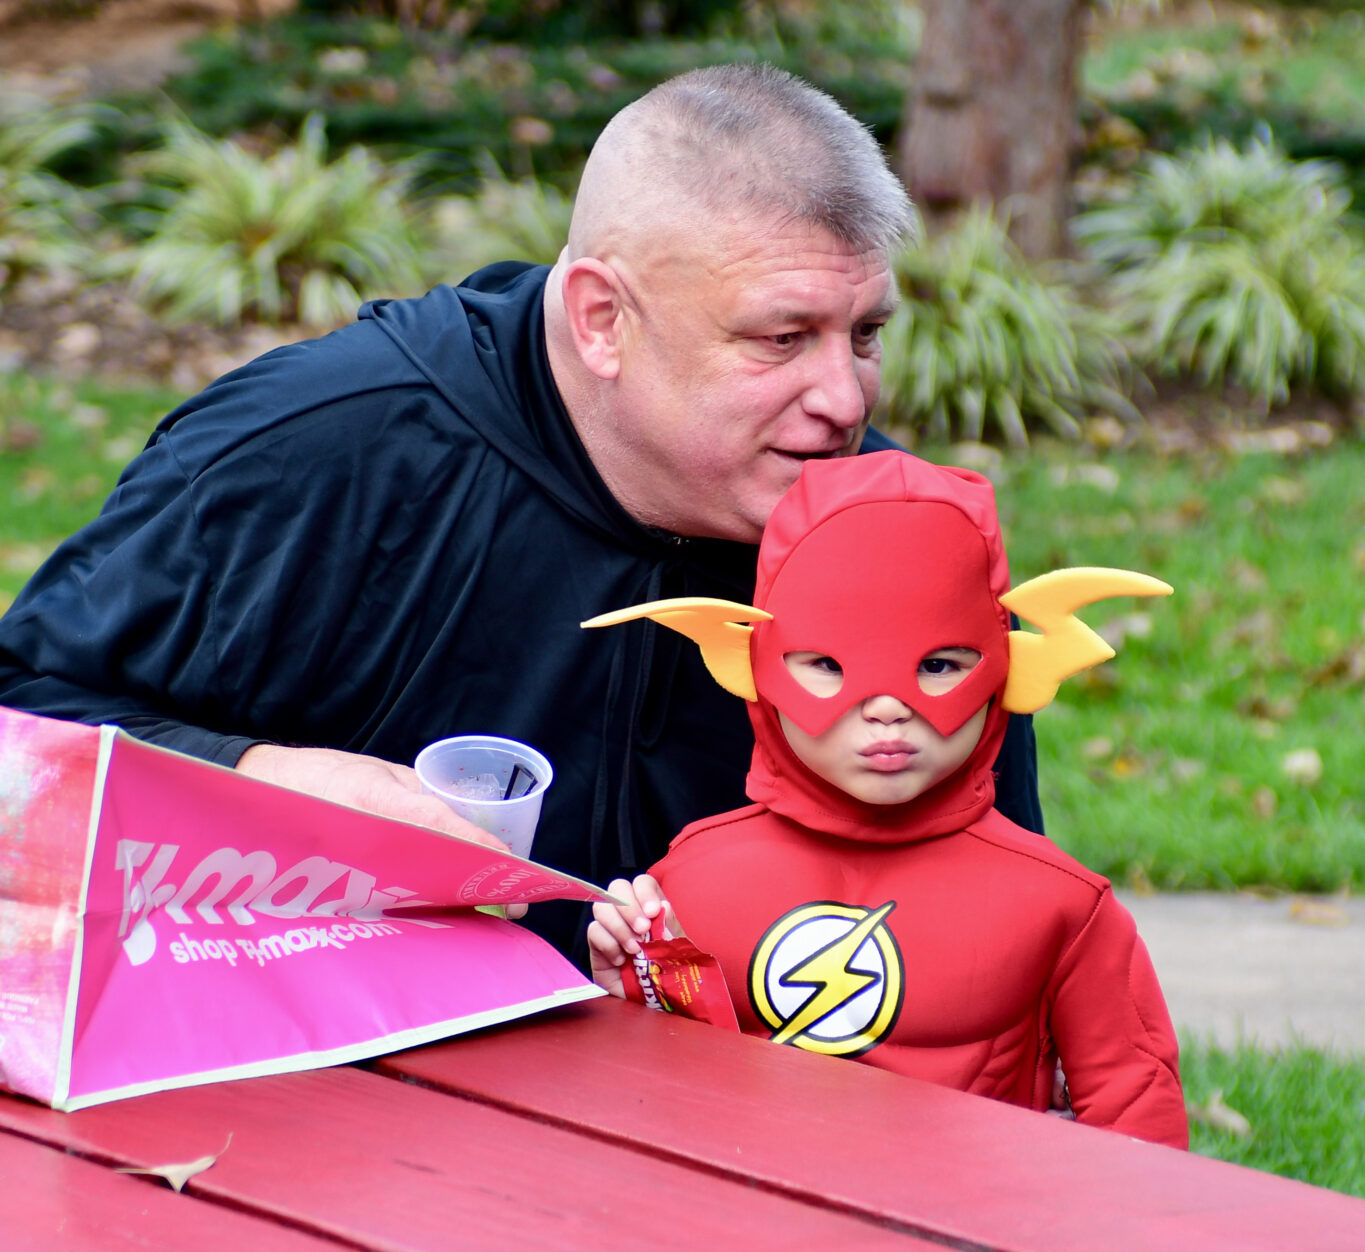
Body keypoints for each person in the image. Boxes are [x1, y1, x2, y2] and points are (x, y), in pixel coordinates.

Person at [0, 65, 1040, 961]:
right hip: (340, 1107)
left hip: (760, 1126)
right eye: (780, 339)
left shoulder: (905, 545)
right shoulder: (320, 452)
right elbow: (23, 726)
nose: (845, 402)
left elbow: (1006, 919)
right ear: (602, 319)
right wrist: (260, 778)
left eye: (862, 334)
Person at [584, 449, 1189, 1147]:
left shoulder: (1063, 908)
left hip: (973, 1242)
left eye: (938, 665)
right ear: (749, 662)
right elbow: (643, 1111)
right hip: (746, 1240)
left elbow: (1141, 1126)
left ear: (1011, 664)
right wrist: (625, 989)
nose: (887, 709)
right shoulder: (689, 883)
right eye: (829, 665)